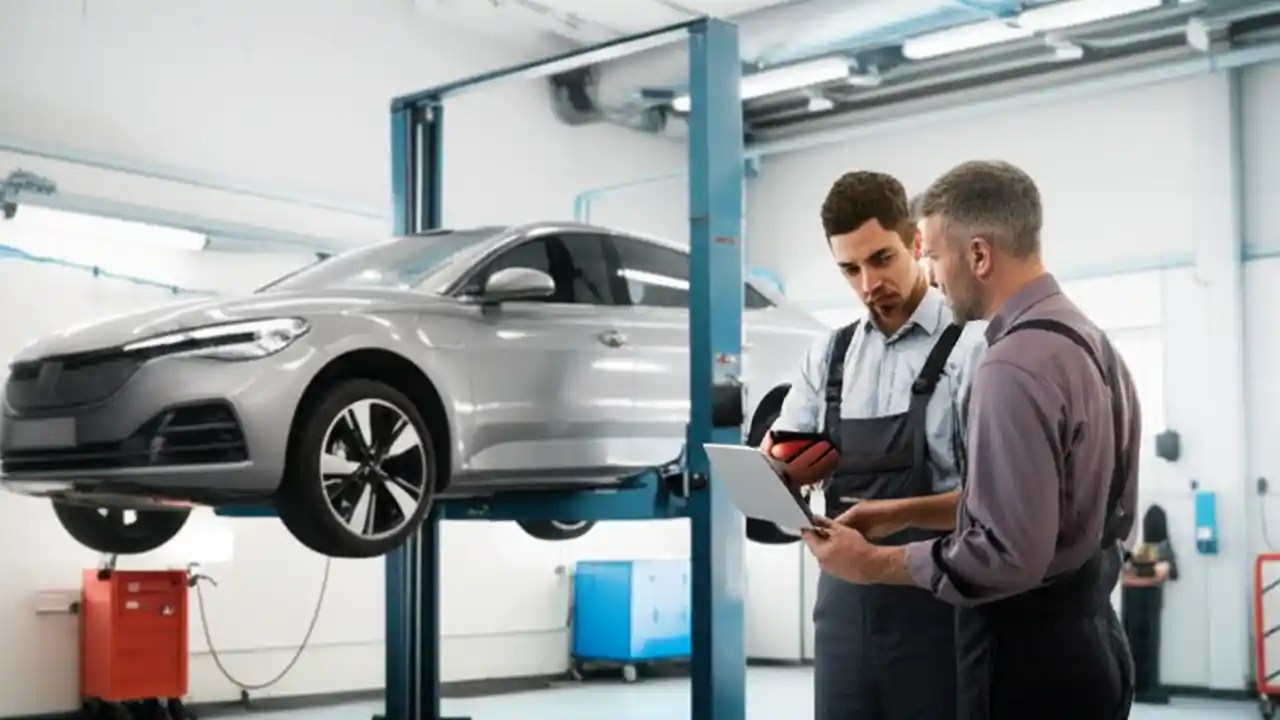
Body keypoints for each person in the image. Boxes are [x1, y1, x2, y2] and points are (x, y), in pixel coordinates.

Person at [799, 159, 1140, 720]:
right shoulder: (1093, 345)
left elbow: (1005, 553)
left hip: (1026, 658)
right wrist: (895, 512)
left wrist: (872, 564)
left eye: (929, 255)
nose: (930, 275)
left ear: (978, 255)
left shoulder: (1009, 365)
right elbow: (1045, 506)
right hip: (1092, 640)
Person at [761, 170, 988, 720]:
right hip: (843, 613)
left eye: (881, 259)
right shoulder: (827, 359)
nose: (868, 284)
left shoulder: (973, 348)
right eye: (850, 269)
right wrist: (776, 470)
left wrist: (888, 516)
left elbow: (993, 501)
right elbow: (786, 462)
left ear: (915, 243)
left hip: (940, 609)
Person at [1121, 504, 1177, 704]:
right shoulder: (1163, 548)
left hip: (1132, 603)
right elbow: (1164, 573)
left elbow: (1125, 576)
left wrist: (1136, 578)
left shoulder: (1136, 548)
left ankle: (1134, 688)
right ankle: (1147, 688)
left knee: (1130, 646)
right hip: (1150, 603)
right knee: (1149, 647)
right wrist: (1150, 578)